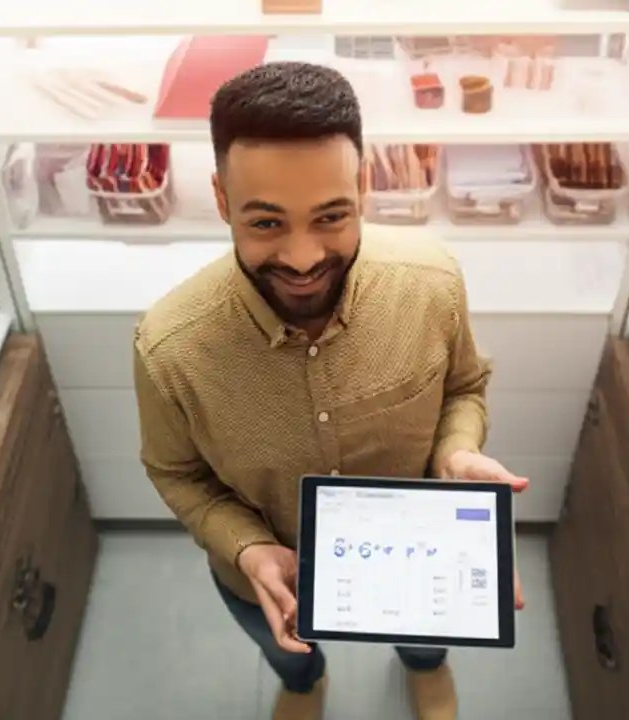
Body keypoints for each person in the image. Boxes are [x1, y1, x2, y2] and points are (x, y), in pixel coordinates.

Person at [132, 61, 528, 720]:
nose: (303, 256)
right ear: (223, 200)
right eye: (265, 223)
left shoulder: (432, 282)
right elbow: (175, 472)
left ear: (365, 185)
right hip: (262, 581)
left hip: (414, 556)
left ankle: (425, 666)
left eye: (331, 216)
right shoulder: (169, 348)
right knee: (287, 653)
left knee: (424, 639)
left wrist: (456, 453)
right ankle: (301, 682)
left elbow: (463, 387)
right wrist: (247, 547)